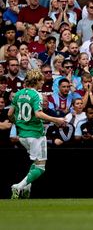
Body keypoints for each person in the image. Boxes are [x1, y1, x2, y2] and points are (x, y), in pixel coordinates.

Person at [10, 69, 67, 199]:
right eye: (41, 80)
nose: (42, 83)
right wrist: (56, 120)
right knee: (41, 167)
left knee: (35, 162)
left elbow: (10, 114)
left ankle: (27, 188)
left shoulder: (18, 94)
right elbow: (38, 114)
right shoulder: (36, 95)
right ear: (36, 81)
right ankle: (18, 186)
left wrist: (19, 124)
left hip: (22, 136)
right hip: (35, 134)